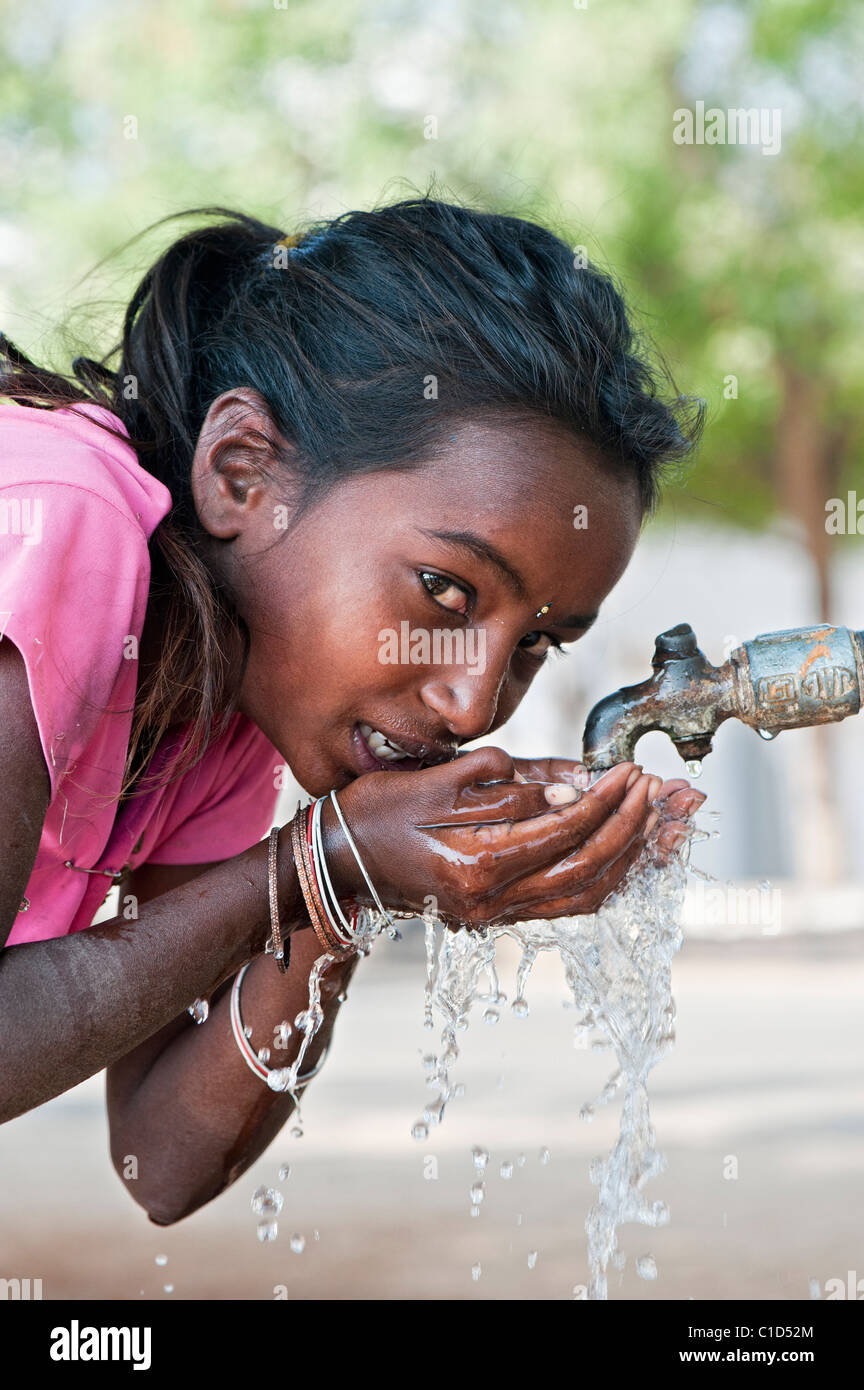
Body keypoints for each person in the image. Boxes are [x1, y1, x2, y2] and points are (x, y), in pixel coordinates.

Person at [0, 196, 705, 1225]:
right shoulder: (66, 520)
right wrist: (314, 863)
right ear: (242, 472)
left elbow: (161, 1157)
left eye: (537, 644)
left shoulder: (228, 702)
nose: (473, 701)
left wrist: (350, 878)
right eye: (447, 590)